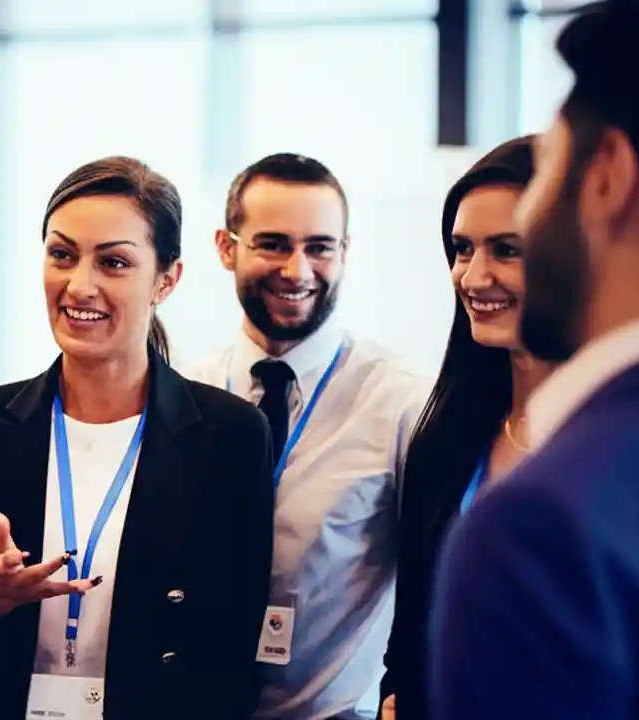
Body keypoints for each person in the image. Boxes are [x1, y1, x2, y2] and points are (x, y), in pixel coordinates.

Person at [0, 156, 275, 719]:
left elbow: (229, 658)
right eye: (62, 255)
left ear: (166, 279)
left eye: (113, 263)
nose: (80, 285)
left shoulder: (228, 435)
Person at [431, 3, 639, 718]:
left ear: (606, 176)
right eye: (461, 249)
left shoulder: (542, 525)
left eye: (548, 177)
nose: (478, 273)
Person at [190, 153, 429, 720]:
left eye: (319, 247)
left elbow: (433, 580)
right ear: (227, 247)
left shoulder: (400, 401)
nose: (297, 270)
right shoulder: (187, 392)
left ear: (344, 253)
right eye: (273, 244)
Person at [378, 136, 552, 720]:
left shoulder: (619, 445)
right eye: (461, 249)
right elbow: (409, 637)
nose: (474, 277)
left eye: (507, 250)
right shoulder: (445, 436)